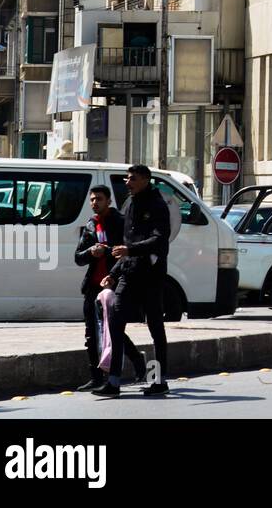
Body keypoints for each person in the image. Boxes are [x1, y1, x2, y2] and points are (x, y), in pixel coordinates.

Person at [93, 165, 171, 398]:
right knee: (115, 322)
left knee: (155, 327)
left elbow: (159, 240)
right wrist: (114, 273)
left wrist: (131, 250)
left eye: (133, 178)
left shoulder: (158, 205)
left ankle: (159, 381)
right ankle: (114, 382)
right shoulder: (130, 203)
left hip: (150, 275)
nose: (128, 182)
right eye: (127, 178)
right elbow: (125, 247)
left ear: (146, 179)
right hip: (129, 274)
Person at [74, 186, 143, 391]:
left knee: (113, 329)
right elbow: (78, 257)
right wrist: (90, 252)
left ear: (109, 201)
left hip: (115, 284)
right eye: (93, 199)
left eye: (100, 199)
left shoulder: (120, 222)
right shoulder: (90, 225)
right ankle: (96, 377)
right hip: (93, 286)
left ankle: (136, 361)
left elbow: (129, 253)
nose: (95, 203)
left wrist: (114, 271)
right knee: (91, 333)